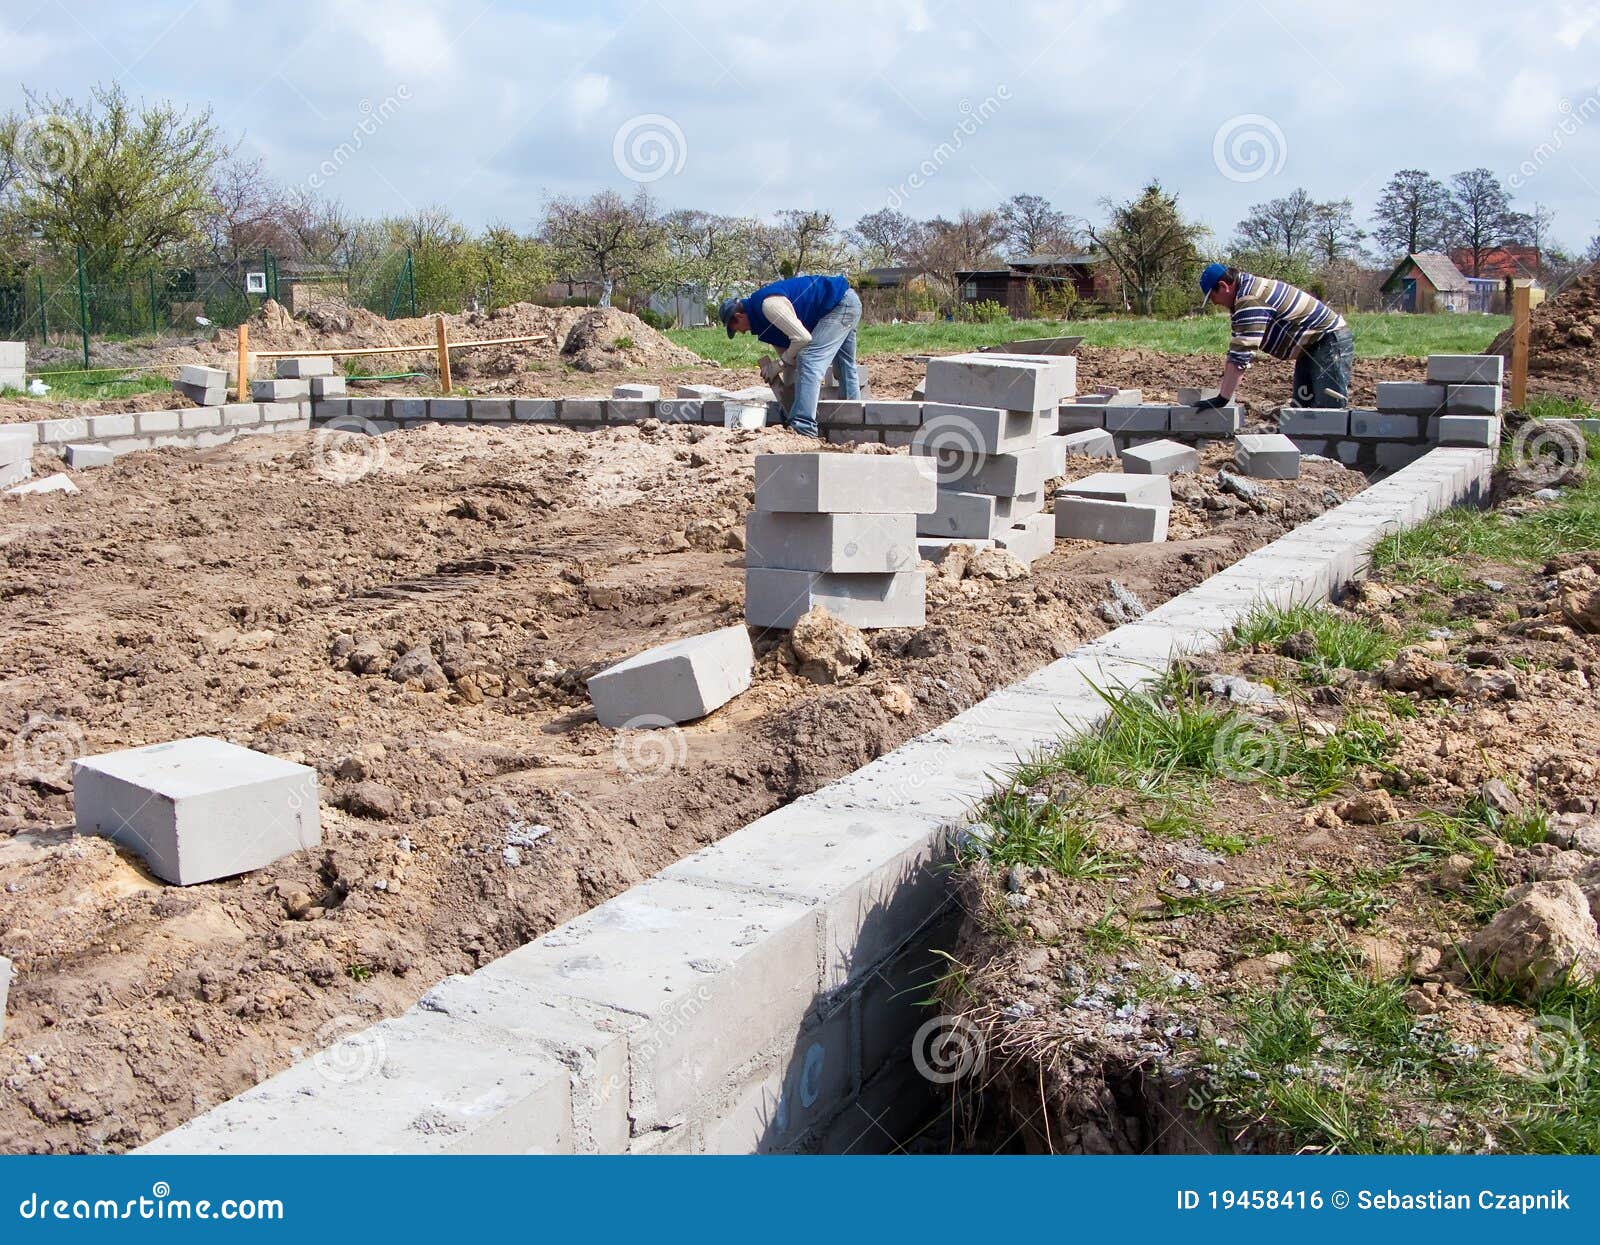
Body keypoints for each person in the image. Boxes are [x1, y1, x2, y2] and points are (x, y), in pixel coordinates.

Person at [1193, 263, 1354, 410]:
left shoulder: (1250, 299)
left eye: (1213, 297)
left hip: (1329, 340)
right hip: (1311, 347)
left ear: (1223, 286)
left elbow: (1240, 357)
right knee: (1302, 408)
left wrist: (1222, 399)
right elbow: (1236, 350)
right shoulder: (1244, 294)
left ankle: (1337, 441)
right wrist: (1223, 395)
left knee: (1330, 408)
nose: (1214, 303)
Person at [718, 275, 861, 437]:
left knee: (809, 359)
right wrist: (789, 402)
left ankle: (803, 427)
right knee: (844, 366)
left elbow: (803, 339)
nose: (741, 332)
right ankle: (854, 421)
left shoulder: (768, 306)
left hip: (840, 304)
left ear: (739, 317)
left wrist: (776, 365)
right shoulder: (765, 326)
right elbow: (790, 362)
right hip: (844, 303)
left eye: (736, 328)